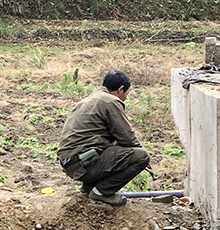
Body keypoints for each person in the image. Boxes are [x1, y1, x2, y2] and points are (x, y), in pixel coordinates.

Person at [57, 69, 150, 205]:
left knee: (109, 148)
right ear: (121, 89)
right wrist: (141, 159)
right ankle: (101, 192)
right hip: (82, 162)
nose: (126, 97)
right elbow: (127, 137)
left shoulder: (91, 99)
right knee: (142, 156)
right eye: (127, 93)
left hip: (71, 162)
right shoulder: (110, 101)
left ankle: (87, 189)